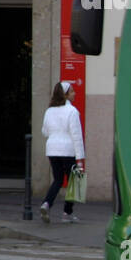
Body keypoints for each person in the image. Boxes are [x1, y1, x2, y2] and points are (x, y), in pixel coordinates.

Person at [39, 80, 86, 224]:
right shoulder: (72, 111)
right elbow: (76, 136)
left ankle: (46, 204)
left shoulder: (49, 110)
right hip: (68, 150)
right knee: (74, 183)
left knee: (58, 180)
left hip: (52, 149)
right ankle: (67, 213)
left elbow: (44, 132)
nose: (74, 93)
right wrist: (80, 158)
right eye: (72, 91)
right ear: (65, 95)